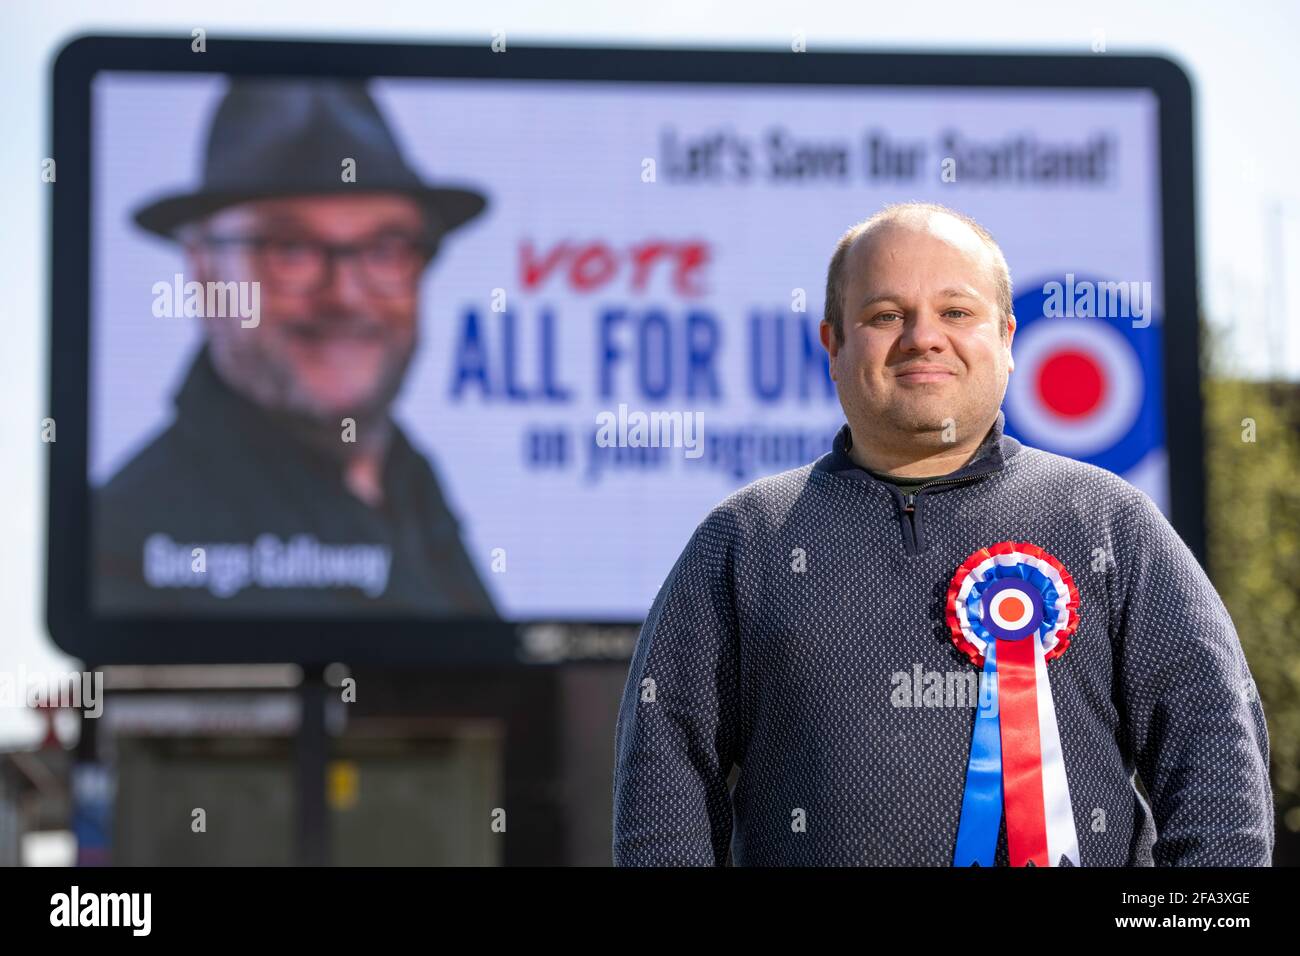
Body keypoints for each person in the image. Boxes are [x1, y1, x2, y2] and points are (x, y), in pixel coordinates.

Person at [612, 202, 1273, 866]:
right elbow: (662, 796)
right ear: (833, 344)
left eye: (956, 313)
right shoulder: (743, 540)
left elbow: (1217, 764)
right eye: (885, 315)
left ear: (1008, 339)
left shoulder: (1110, 522)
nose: (923, 338)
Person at [95, 78, 497, 616]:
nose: (346, 295)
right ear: (203, 268)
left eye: (386, 247)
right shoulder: (127, 542)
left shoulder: (412, 488)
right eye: (290, 248)